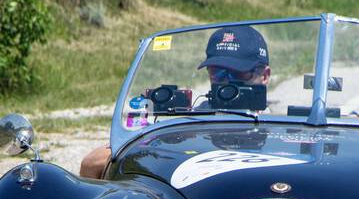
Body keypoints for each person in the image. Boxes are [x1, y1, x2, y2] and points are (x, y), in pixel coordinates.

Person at [79, 25, 271, 179]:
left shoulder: (282, 127)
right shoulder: (197, 116)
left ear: (265, 76)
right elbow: (91, 163)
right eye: (218, 73)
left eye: (237, 74)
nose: (227, 84)